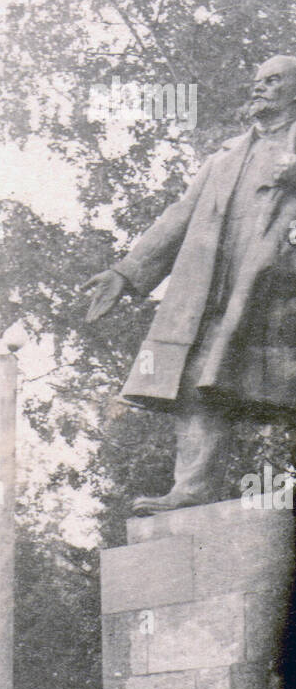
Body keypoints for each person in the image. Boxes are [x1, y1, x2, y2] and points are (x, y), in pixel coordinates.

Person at [84, 55, 296, 514]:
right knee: (199, 386)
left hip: (280, 293)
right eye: (257, 81)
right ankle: (190, 491)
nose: (259, 88)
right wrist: (127, 272)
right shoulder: (226, 156)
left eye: (273, 81)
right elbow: (179, 216)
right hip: (218, 293)